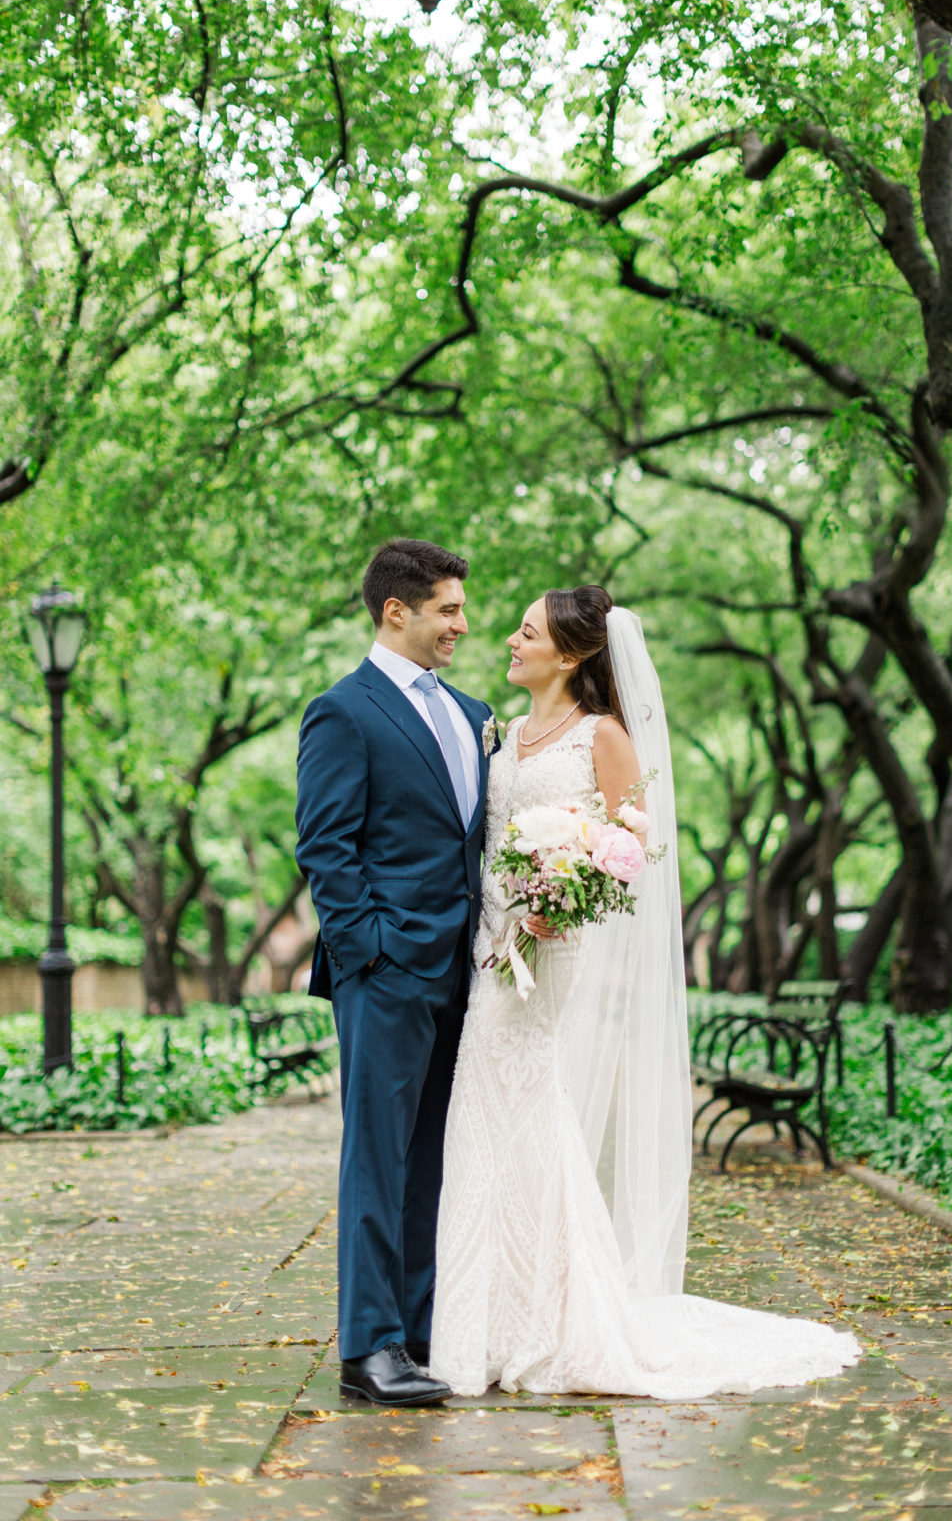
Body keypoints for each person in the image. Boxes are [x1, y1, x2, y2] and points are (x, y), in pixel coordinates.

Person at [430, 585, 861, 1397]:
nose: (510, 642)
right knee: (493, 1112)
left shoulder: (606, 736)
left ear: (572, 654)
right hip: (488, 940)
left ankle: (546, 1320)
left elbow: (632, 843)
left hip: (547, 952)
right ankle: (492, 1312)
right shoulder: (506, 732)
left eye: (527, 633)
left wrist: (565, 899)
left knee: (513, 1097)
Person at [295, 539, 496, 1408]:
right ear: (396, 612)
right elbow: (325, 847)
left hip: (471, 974)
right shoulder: (344, 712)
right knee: (377, 1161)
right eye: (448, 609)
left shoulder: (474, 710)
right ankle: (367, 1348)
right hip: (385, 972)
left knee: (435, 1161)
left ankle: (416, 1334)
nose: (462, 623)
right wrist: (368, 951)